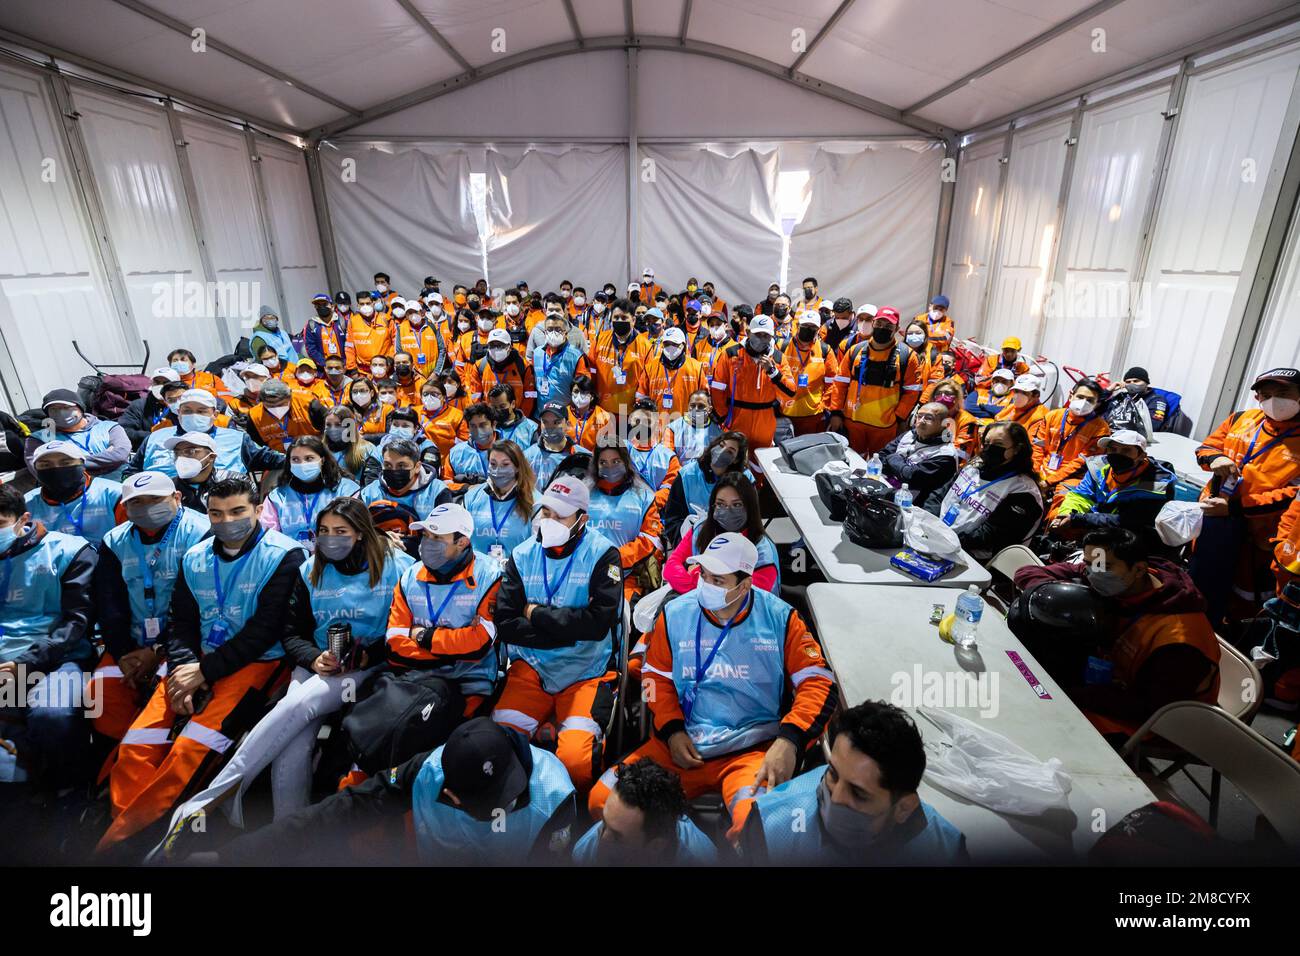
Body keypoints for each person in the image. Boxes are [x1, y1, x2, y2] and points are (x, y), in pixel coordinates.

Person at [152, 498, 415, 841]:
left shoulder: (399, 566)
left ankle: (214, 795)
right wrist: (312, 658)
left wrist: (367, 655)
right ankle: (288, 839)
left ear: (361, 534)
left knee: (298, 705)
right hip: (318, 664)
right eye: (323, 531)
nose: (330, 539)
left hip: (369, 666)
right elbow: (291, 634)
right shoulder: (310, 569)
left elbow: (405, 630)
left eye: (341, 532)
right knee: (291, 751)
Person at [98, 475, 307, 853]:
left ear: (258, 510)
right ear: (206, 514)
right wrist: (184, 667)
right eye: (217, 513)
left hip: (256, 662)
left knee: (188, 752)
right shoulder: (195, 556)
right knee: (136, 746)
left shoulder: (285, 554)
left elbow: (265, 630)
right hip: (194, 662)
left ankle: (131, 846)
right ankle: (121, 826)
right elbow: (183, 623)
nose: (227, 521)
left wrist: (204, 673)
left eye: (238, 511)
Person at [589, 533, 837, 841]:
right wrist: (671, 729)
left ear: (744, 585)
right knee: (602, 800)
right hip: (679, 744)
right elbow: (654, 679)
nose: (705, 584)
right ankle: (680, 839)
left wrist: (790, 740)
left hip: (749, 750)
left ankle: (682, 838)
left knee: (760, 829)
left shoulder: (781, 618)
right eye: (703, 575)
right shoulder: (676, 613)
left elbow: (819, 682)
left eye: (718, 580)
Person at [205, 717, 575, 866]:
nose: (503, 807)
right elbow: (340, 812)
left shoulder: (556, 796)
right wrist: (231, 856)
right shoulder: (427, 771)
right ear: (450, 794)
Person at [1014, 528, 1220, 740]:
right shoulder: (1113, 577)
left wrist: (1065, 691)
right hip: (1105, 680)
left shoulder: (1179, 640)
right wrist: (1057, 597)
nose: (1093, 573)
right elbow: (1027, 573)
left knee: (1042, 715)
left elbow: (1150, 706)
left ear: (1139, 569)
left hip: (1155, 720)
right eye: (1088, 564)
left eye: (1104, 566)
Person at [492, 477, 623, 794]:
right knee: (498, 750)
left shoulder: (604, 554)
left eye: (560, 514)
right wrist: (564, 633)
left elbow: (597, 624)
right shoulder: (522, 555)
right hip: (531, 667)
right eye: (546, 511)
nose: (549, 521)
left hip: (586, 669)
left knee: (575, 764)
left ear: (582, 519)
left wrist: (535, 614)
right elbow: (506, 621)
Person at [742, 701, 967, 865]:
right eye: (833, 774)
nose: (835, 799)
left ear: (904, 808)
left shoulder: (946, 849)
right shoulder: (770, 825)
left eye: (858, 793)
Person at [90, 472, 210, 744]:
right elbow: (110, 604)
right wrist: (123, 653)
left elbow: (198, 604)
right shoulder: (113, 541)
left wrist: (158, 651)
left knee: (165, 695)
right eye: (137, 502)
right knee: (101, 692)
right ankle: (114, 760)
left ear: (177, 498)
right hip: (131, 645)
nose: (145, 508)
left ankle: (155, 759)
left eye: (154, 499)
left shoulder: (201, 532)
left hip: (185, 642)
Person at [0, 483, 98, 790]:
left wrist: (23, 665)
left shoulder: (69, 551)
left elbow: (75, 623)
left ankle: (68, 792)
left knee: (51, 716)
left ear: (23, 519)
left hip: (56, 660)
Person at [1192, 367, 1300, 632]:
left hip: (1263, 534)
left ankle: (1231, 644)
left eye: (1284, 393)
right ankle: (1197, 633)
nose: (1274, 400)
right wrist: (1215, 458)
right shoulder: (1241, 419)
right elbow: (1206, 447)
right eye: (1266, 394)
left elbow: (1291, 497)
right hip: (1216, 519)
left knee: (1247, 596)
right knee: (1203, 583)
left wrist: (1234, 508)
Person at [931, 421, 1045, 562]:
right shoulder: (975, 464)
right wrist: (928, 522)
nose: (990, 448)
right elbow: (939, 495)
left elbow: (990, 536)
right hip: (940, 539)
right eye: (986, 442)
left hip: (976, 558)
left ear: (1017, 449)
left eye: (998, 444)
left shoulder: (1024, 491)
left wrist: (944, 540)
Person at [572, 759, 716, 865]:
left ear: (656, 846)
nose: (600, 841)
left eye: (617, 838)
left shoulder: (702, 859)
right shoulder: (585, 852)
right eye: (604, 823)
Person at [1045, 430, 1175, 542]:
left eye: (1126, 450)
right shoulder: (1098, 467)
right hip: (1095, 521)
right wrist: (1066, 514)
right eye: (1113, 449)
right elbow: (1081, 496)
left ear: (1142, 456)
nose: (1118, 454)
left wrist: (1077, 519)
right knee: (1057, 517)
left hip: (1128, 537)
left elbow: (1128, 521)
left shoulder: (1157, 485)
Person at [664, 471, 779, 597]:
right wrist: (697, 584)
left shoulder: (763, 552)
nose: (727, 510)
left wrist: (697, 574)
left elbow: (741, 599)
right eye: (720, 504)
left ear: (750, 507)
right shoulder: (701, 528)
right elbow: (671, 567)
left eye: (737, 505)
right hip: (699, 606)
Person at [828, 306, 923, 455]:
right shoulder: (855, 351)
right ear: (873, 323)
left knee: (877, 468)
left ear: (897, 328)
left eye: (888, 326)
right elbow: (840, 384)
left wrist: (898, 418)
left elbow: (912, 392)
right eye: (879, 324)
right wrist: (836, 413)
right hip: (852, 422)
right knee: (852, 463)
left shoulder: (907, 356)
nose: (882, 328)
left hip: (885, 427)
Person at [128, 388, 284, 478]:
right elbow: (131, 471)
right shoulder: (156, 438)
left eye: (201, 411)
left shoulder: (236, 439)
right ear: (179, 414)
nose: (193, 415)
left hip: (224, 508)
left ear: (215, 415)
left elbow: (272, 459)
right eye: (187, 411)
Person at [587, 441, 664, 605]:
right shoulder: (584, 493)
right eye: (603, 462)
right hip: (585, 572)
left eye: (615, 461)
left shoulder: (644, 496)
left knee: (622, 620)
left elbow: (651, 538)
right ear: (596, 465)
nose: (610, 467)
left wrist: (614, 558)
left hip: (627, 575)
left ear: (625, 461)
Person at [710, 314, 794, 452]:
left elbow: (791, 392)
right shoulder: (731, 354)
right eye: (757, 334)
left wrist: (773, 372)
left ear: (772, 337)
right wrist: (723, 417)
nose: (761, 339)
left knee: (761, 465)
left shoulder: (778, 358)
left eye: (766, 335)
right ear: (748, 333)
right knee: (735, 461)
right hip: (737, 418)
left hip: (765, 420)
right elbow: (718, 388)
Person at [260, 436, 360, 546]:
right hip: (291, 558)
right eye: (295, 459)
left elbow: (355, 531)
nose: (302, 464)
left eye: (309, 458)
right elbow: (267, 537)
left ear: (322, 460)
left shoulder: (346, 490)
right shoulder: (277, 496)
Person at [24, 440, 123, 547]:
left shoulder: (115, 494)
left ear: (82, 464)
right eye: (45, 465)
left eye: (66, 463)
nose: (56, 469)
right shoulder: (26, 502)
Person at [662, 430, 753, 546]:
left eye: (730, 451)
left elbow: (751, 518)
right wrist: (686, 547)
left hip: (731, 542)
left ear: (736, 459)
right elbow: (672, 520)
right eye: (721, 445)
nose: (722, 452)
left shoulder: (745, 479)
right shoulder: (686, 475)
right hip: (693, 540)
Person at [23, 388, 131, 480]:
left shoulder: (109, 427)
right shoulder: (39, 439)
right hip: (76, 492)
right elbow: (40, 470)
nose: (61, 413)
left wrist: (67, 463)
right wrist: (106, 460)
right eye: (54, 409)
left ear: (80, 408)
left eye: (66, 408)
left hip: (119, 484)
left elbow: (120, 454)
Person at [878, 402, 960, 509]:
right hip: (887, 485)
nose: (921, 421)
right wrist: (898, 466)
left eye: (929, 418)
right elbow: (882, 456)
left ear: (944, 424)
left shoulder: (946, 454)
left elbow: (911, 477)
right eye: (919, 416)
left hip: (911, 504)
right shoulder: (910, 434)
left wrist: (893, 458)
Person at [463, 441, 535, 561]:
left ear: (517, 467)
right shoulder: (471, 497)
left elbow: (537, 550)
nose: (497, 471)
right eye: (493, 464)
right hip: (479, 573)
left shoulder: (535, 501)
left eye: (505, 464)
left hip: (517, 574)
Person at [1037, 378, 1110, 492]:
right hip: (1041, 470)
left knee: (1062, 498)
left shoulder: (1101, 429)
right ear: (1071, 395)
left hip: (1073, 478)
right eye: (1080, 397)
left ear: (1097, 404)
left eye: (1090, 400)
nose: (1083, 403)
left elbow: (1083, 463)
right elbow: (1037, 448)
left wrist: (1049, 482)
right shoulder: (1052, 416)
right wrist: (1034, 475)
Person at [781, 310, 840, 436]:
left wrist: (823, 405)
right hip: (783, 414)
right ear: (797, 326)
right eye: (805, 326)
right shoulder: (782, 346)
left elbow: (833, 382)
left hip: (813, 416)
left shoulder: (825, 350)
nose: (809, 329)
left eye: (813, 327)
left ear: (818, 329)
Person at [358, 438, 451, 516]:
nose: (394, 470)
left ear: (417, 467)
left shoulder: (437, 491)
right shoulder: (370, 492)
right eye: (388, 465)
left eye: (401, 466)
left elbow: (446, 532)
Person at [637, 326, 707, 422]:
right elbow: (641, 397)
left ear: (683, 345)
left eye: (674, 344)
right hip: (657, 427)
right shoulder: (650, 368)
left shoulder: (696, 368)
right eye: (667, 344)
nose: (670, 347)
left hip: (687, 426)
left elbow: (704, 399)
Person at [464, 328, 537, 416]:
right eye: (492, 345)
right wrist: (484, 418)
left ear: (510, 347)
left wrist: (521, 418)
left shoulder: (523, 366)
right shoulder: (479, 366)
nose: (496, 349)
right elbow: (475, 396)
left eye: (500, 345)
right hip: (490, 417)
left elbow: (529, 396)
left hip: (516, 418)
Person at [625, 400, 681, 508]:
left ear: (657, 423)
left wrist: (647, 505)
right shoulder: (620, 449)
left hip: (654, 514)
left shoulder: (668, 457)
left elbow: (669, 489)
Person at [244, 379, 320, 453]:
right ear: (261, 402)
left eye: (280, 404)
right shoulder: (254, 415)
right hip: (277, 458)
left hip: (312, 451)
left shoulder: (308, 404)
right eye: (270, 406)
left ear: (290, 397)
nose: (276, 408)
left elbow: (327, 430)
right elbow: (256, 446)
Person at [533, 310, 588, 406]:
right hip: (540, 414)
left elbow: (582, 388)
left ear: (565, 333)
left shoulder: (576, 356)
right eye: (550, 329)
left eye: (558, 330)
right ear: (545, 333)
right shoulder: (537, 353)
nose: (553, 333)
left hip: (564, 415)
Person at [526, 401, 586, 488]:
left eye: (556, 422)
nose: (550, 427)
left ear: (568, 425)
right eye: (545, 422)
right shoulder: (527, 457)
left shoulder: (582, 457)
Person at [118, 369, 183, 448]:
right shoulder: (139, 405)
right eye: (157, 382)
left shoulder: (183, 405)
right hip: (146, 449)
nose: (161, 386)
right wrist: (153, 436)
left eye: (166, 382)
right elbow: (124, 430)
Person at [324, 405, 381, 487]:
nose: (333, 429)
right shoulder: (321, 450)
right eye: (328, 425)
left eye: (338, 425)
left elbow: (372, 487)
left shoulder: (367, 449)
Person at [444, 402, 499, 486]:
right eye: (473, 426)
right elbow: (446, 483)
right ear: (468, 427)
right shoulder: (455, 453)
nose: (478, 431)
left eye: (483, 425)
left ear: (493, 425)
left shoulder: (510, 450)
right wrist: (467, 488)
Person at [930, 378, 982, 463]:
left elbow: (961, 454)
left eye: (948, 394)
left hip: (951, 464)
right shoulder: (929, 415)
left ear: (957, 397)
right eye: (938, 394)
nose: (942, 397)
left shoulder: (967, 421)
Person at [994, 373, 1049, 450]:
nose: (1018, 395)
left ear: (1036, 395)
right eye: (1016, 391)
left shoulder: (1040, 417)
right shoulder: (1012, 407)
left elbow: (1031, 447)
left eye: (1024, 392)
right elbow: (997, 420)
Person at [417, 378, 468, 461]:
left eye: (435, 394)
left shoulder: (458, 416)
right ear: (421, 397)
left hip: (445, 463)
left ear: (444, 397)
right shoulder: (414, 412)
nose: (429, 397)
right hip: (416, 463)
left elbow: (463, 444)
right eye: (425, 394)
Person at [666, 389, 721, 463]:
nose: (696, 409)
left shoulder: (718, 434)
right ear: (688, 406)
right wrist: (682, 473)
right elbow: (667, 456)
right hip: (680, 473)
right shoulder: (672, 429)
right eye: (692, 405)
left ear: (710, 409)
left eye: (701, 406)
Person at [569, 374, 616, 452]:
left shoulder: (605, 417)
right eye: (576, 391)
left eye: (583, 392)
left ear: (592, 396)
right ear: (571, 393)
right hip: (568, 460)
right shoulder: (564, 414)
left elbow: (609, 447)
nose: (579, 396)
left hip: (593, 460)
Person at [167, 348, 231, 400]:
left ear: (193, 364)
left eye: (183, 360)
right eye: (175, 360)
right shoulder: (169, 384)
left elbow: (226, 396)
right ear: (171, 366)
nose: (179, 363)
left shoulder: (210, 378)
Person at [487, 382, 537, 448]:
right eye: (494, 407)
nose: (498, 410)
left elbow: (535, 455)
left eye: (502, 406)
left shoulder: (530, 428)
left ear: (513, 404)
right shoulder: (487, 427)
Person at [303, 293, 346, 369]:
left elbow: (349, 345)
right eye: (318, 305)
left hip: (344, 367)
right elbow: (311, 349)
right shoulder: (311, 325)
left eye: (324, 304)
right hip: (324, 369)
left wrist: (345, 363)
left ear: (332, 307)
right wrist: (325, 364)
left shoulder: (342, 321)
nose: (321, 307)